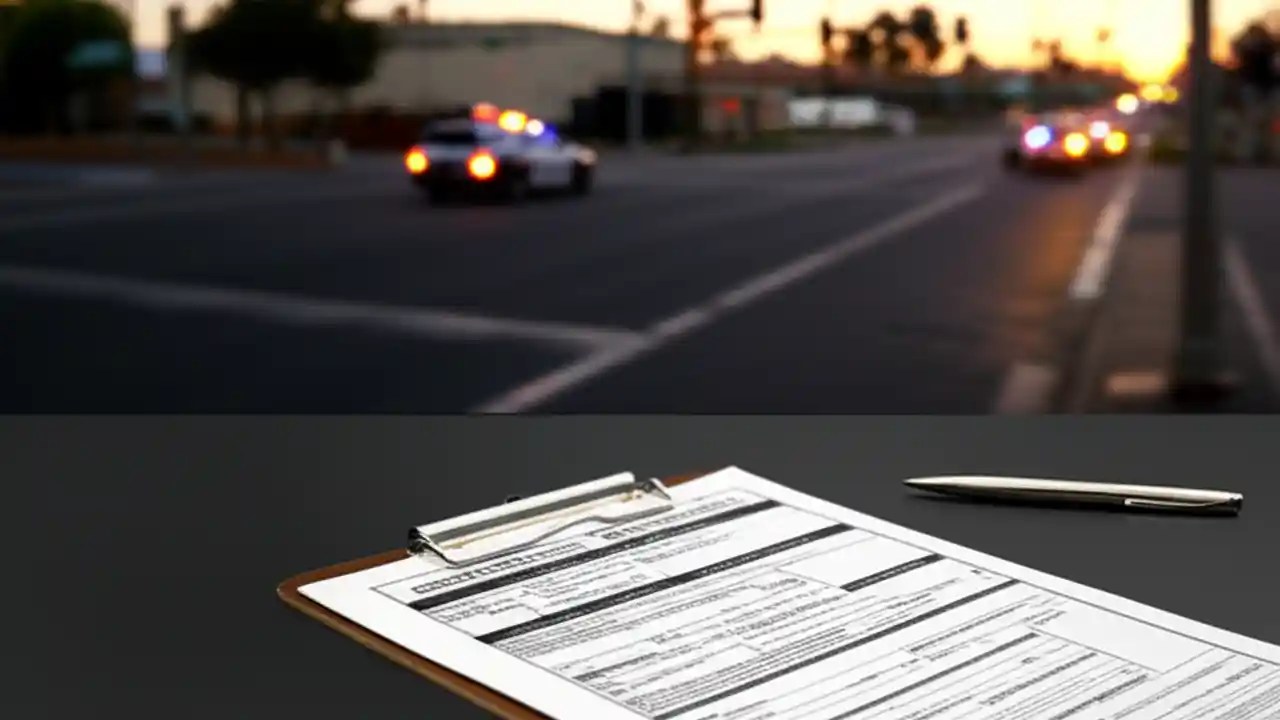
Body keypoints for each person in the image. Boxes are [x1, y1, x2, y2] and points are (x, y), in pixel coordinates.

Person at [1232, 23, 1278, 163]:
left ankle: (1270, 152)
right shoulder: (1247, 48)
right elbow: (1237, 48)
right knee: (1252, 122)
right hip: (1252, 88)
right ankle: (1249, 153)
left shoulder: (1269, 47)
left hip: (1267, 88)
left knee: (1270, 123)